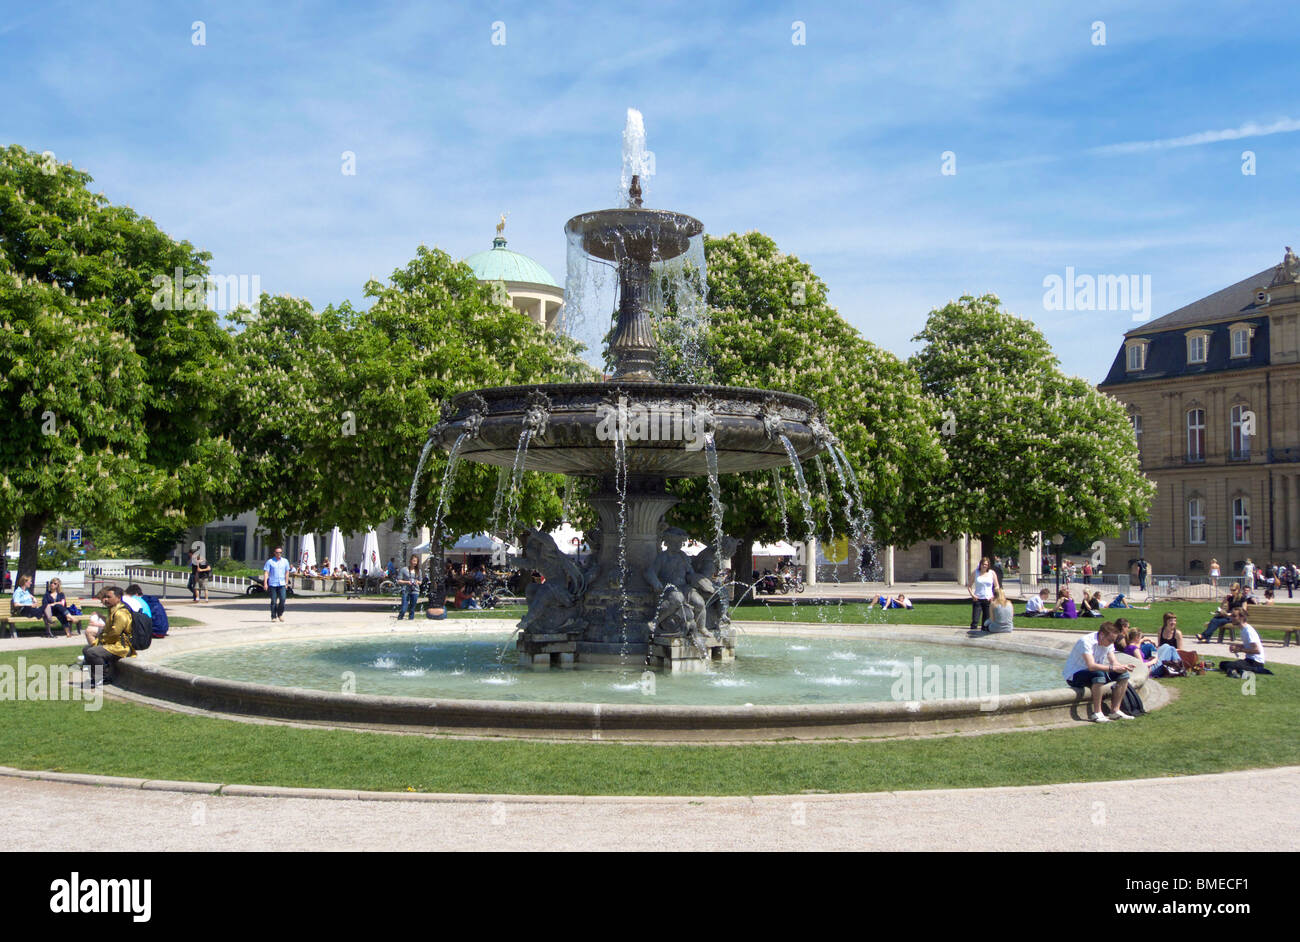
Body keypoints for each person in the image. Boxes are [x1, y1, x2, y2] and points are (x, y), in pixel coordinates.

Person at [1062, 620, 1136, 722]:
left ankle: (1115, 711)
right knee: (1098, 674)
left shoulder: (1109, 641)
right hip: (1074, 675)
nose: (1111, 643)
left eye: (1113, 641)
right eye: (1110, 640)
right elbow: (1091, 666)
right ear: (1101, 635)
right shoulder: (1086, 642)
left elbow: (1113, 661)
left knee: (1123, 674)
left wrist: (1123, 667)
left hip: (1092, 673)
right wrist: (1112, 668)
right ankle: (1097, 713)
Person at [83, 585, 134, 686]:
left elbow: (115, 633)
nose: (105, 599)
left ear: (118, 598)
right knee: (86, 649)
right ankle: (96, 678)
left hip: (122, 646)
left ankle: (104, 677)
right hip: (113, 644)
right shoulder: (113, 610)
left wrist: (101, 642)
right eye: (105, 597)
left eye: (109, 597)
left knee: (92, 652)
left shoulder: (120, 613)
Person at [1218, 607, 1273, 677]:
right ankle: (1239, 670)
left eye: (1234, 616)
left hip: (1255, 662)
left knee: (1231, 665)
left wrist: (1240, 650)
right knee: (1222, 664)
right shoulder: (1243, 630)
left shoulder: (1248, 631)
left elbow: (1257, 650)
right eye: (1232, 615)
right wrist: (1237, 647)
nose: (1232, 618)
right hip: (1249, 660)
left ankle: (1257, 670)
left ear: (1242, 617)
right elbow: (1248, 646)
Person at [968, 556, 999, 630]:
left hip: (988, 599)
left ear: (988, 565)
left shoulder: (992, 573)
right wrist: (973, 595)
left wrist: (994, 596)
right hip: (977, 598)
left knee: (986, 623)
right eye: (983, 564)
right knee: (975, 620)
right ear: (980, 564)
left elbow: (997, 586)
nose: (984, 566)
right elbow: (969, 586)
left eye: (986, 564)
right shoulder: (976, 572)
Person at [262, 546, 290, 622]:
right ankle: (273, 616)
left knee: (283, 599)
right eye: (277, 552)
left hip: (282, 583)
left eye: (280, 552)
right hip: (272, 584)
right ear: (274, 553)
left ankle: (280, 614)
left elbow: (287, 572)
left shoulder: (285, 561)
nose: (279, 554)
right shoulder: (270, 561)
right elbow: (266, 573)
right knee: (273, 601)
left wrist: (286, 583)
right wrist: (265, 583)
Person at [397, 554, 421, 621]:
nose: (415, 563)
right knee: (404, 608)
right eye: (414, 561)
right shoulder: (404, 570)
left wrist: (417, 582)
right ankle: (400, 618)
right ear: (410, 561)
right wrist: (407, 582)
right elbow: (398, 580)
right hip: (406, 590)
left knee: (412, 608)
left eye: (416, 561)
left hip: (415, 590)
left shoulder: (418, 571)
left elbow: (420, 581)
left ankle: (411, 620)